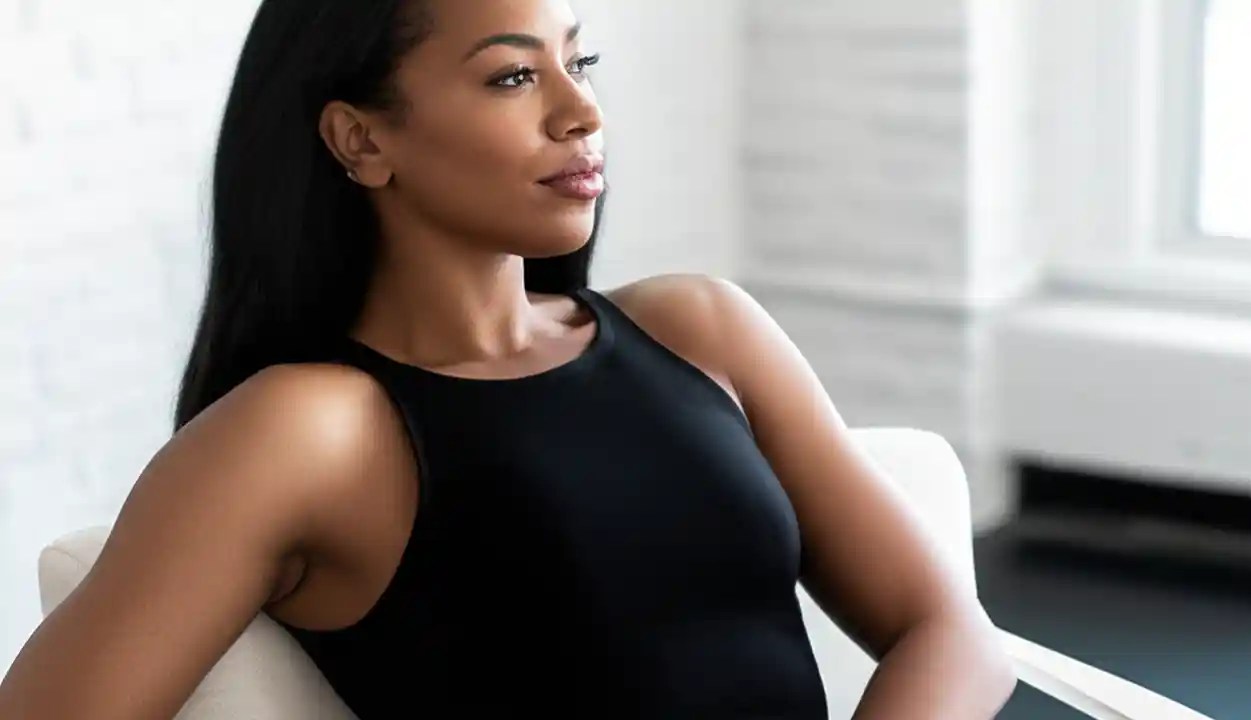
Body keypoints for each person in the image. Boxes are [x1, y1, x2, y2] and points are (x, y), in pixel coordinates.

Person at [0, 1, 1017, 717]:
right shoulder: (304, 431)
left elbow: (949, 634)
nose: (580, 112)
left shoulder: (698, 329)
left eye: (581, 62)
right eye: (513, 75)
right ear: (360, 140)